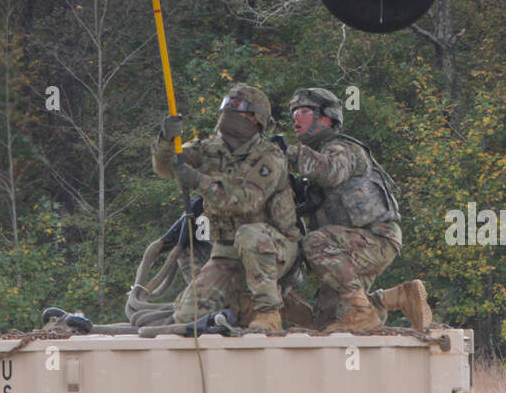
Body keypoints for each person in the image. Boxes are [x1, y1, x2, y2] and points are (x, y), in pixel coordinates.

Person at [152, 83, 300, 332]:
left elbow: (247, 199)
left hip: (275, 247)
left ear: (256, 119)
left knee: (249, 233)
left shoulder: (270, 156)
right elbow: (167, 167)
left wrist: (199, 180)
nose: (227, 114)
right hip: (226, 251)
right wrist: (166, 141)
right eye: (225, 106)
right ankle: (241, 307)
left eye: (237, 107)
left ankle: (268, 312)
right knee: (187, 317)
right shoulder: (210, 150)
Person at [285, 88, 431, 332]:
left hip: (374, 239)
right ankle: (395, 297)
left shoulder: (341, 148)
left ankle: (362, 311)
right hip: (353, 246)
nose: (296, 118)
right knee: (330, 320)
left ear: (326, 117)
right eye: (294, 113)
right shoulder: (322, 153)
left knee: (315, 243)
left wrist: (286, 152)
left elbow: (330, 172)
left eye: (304, 111)